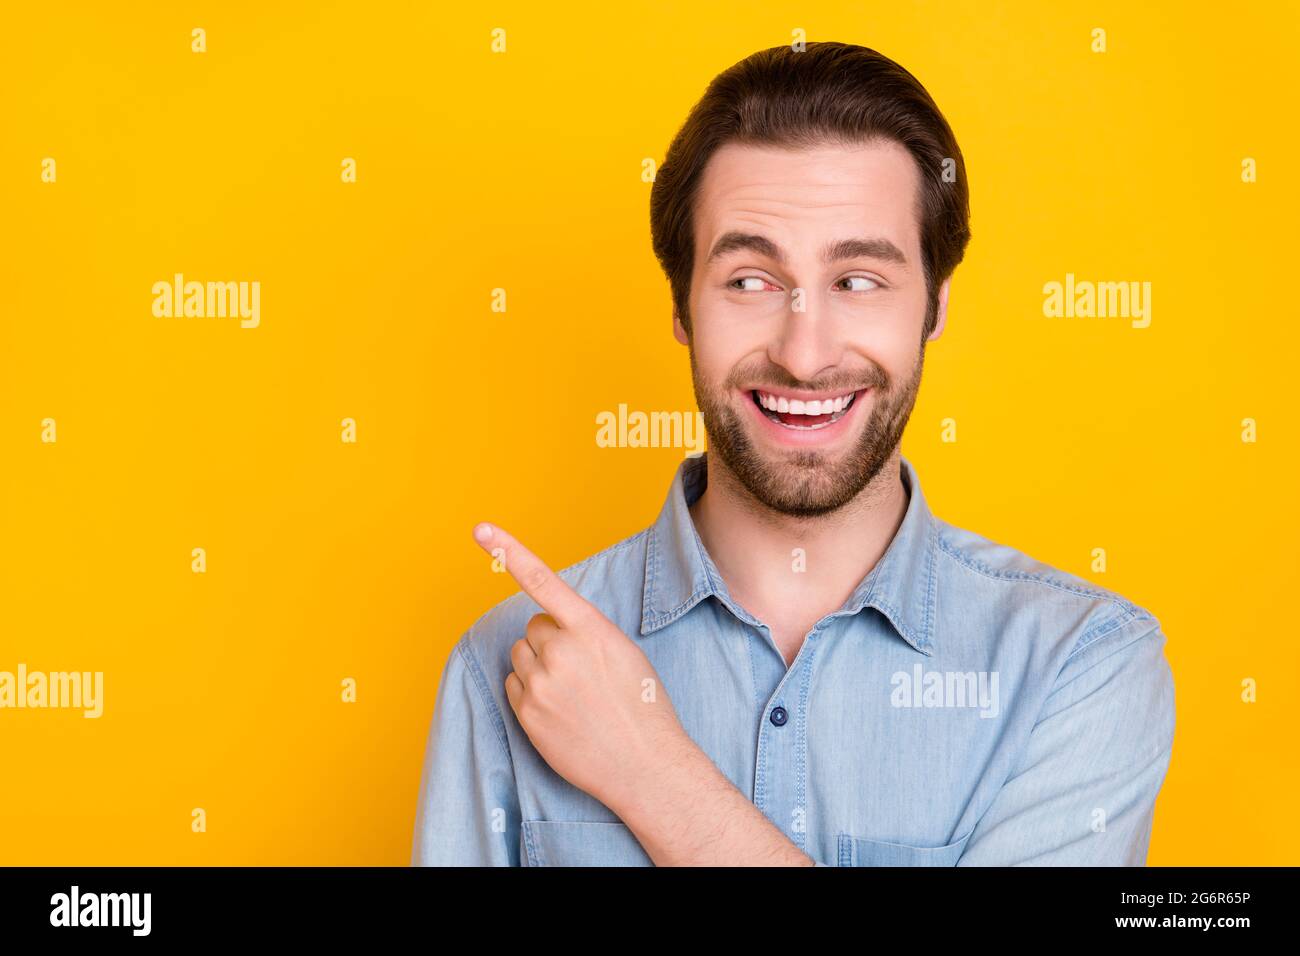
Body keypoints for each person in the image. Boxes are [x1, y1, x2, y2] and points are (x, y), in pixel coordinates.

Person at [412, 41, 1175, 866]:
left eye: (857, 281)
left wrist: (649, 774)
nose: (805, 356)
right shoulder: (504, 670)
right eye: (750, 281)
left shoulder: (1083, 667)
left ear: (934, 308)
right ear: (682, 308)